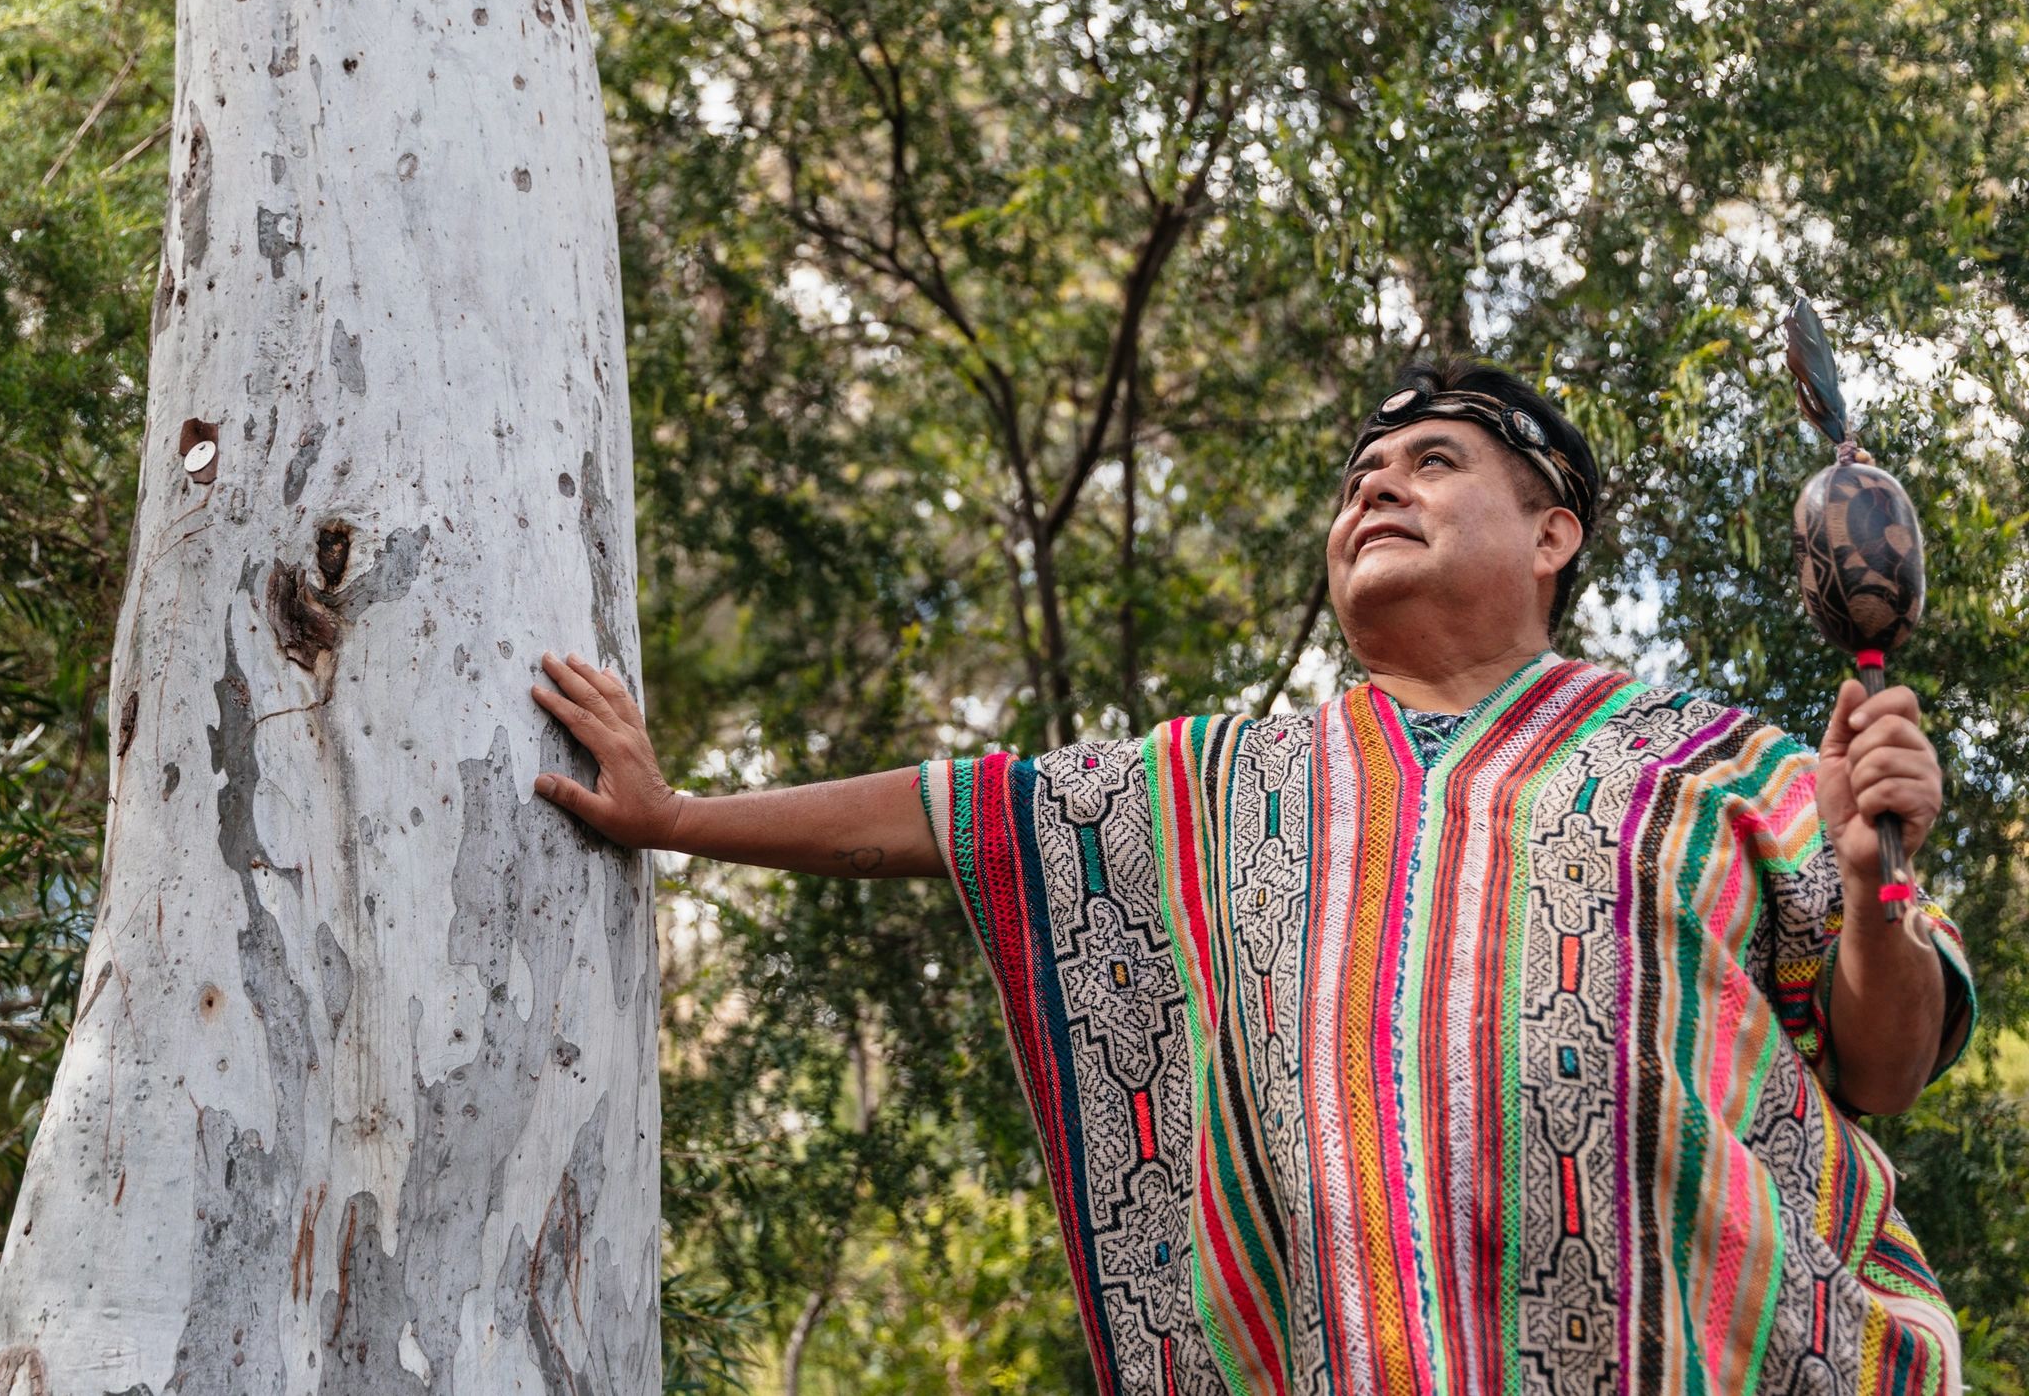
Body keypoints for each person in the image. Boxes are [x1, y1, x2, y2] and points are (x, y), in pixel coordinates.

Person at [531, 358, 1975, 1394]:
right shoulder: (1228, 787)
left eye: (1431, 463)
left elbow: (1886, 1062)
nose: (1376, 493)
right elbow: (961, 817)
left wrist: (1870, 886)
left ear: (1553, 534)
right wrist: (680, 815)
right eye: (1358, 481)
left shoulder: (1735, 765)